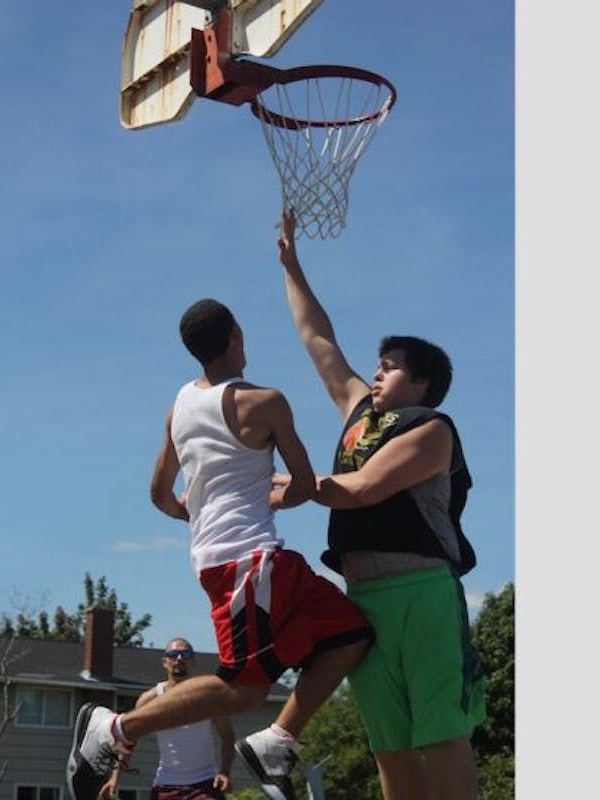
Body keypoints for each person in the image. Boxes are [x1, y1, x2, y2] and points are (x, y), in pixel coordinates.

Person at [67, 298, 374, 800]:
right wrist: (267, 497)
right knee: (242, 688)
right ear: (236, 334)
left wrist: (204, 514)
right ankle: (116, 728)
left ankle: (278, 739)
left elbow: (161, 495)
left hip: (237, 560)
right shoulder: (265, 402)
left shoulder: (180, 406)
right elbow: (300, 486)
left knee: (351, 633)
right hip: (248, 562)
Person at [272, 209, 487, 800]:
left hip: (421, 590)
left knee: (441, 732)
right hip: (364, 597)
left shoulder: (432, 429)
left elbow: (362, 488)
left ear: (420, 385)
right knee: (388, 741)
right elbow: (317, 339)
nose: (376, 371)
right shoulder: (358, 410)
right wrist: (291, 264)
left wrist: (288, 483)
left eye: (391, 367)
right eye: (379, 363)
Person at [99, 638, 234, 800]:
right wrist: (114, 779)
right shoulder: (150, 699)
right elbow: (128, 740)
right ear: (164, 662)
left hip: (205, 784)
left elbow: (227, 737)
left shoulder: (208, 697)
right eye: (173, 654)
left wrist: (225, 772)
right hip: (166, 785)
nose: (179, 659)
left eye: (185, 654)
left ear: (193, 661)